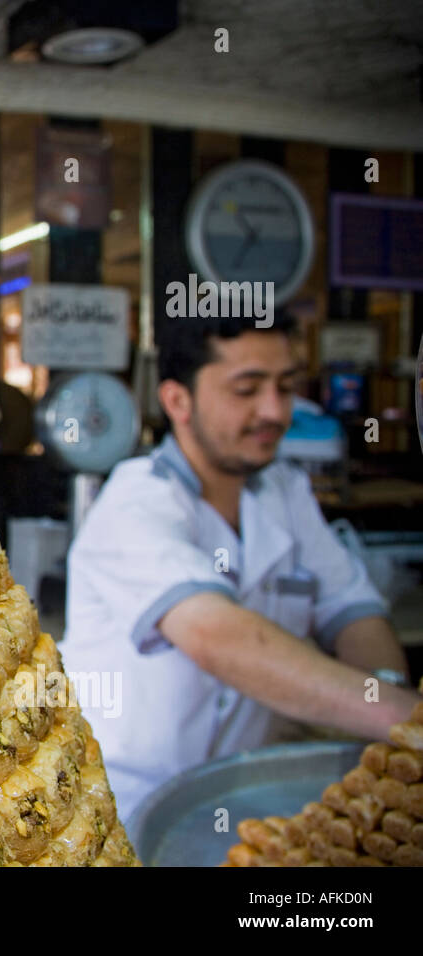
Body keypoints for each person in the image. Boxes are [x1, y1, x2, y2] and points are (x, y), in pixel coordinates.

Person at [61, 308, 420, 818]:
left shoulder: (286, 492)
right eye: (247, 390)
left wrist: (386, 689)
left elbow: (352, 608)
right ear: (177, 400)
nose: (274, 411)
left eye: (285, 386)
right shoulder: (133, 502)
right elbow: (218, 636)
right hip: (125, 806)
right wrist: (407, 720)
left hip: (237, 799)